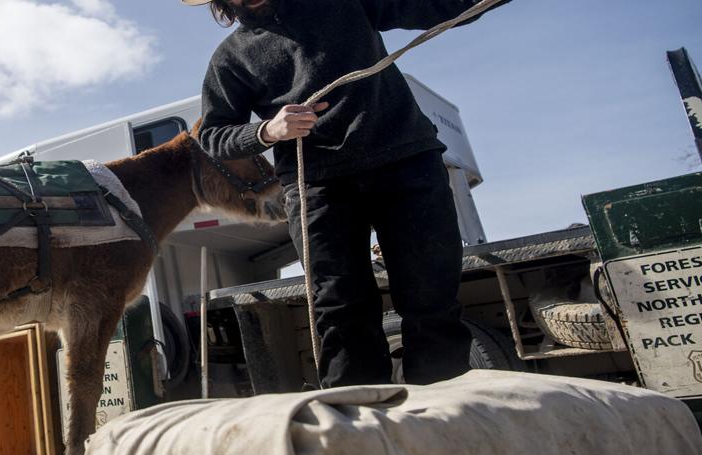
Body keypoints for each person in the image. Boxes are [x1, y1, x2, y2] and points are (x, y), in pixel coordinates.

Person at [189, 0, 509, 387]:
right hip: (318, 185)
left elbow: (432, 5)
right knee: (340, 307)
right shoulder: (230, 58)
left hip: (406, 158)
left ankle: (441, 419)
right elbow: (211, 136)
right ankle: (356, 423)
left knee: (432, 295)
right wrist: (267, 131)